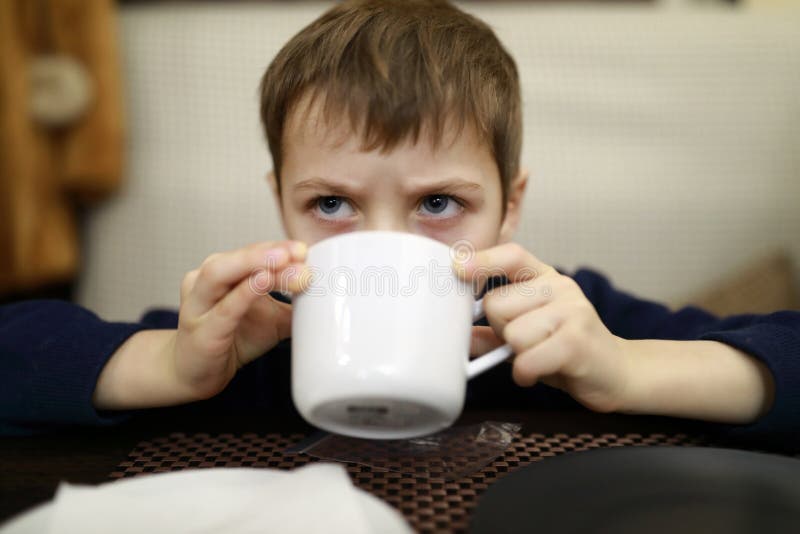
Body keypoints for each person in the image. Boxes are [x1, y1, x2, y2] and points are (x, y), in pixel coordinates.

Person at [1, 0, 798, 449]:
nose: (387, 245)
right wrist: (170, 367)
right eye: (333, 205)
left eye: (439, 204)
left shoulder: (558, 322)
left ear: (509, 207)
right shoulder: (250, 340)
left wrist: (626, 370)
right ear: (282, 204)